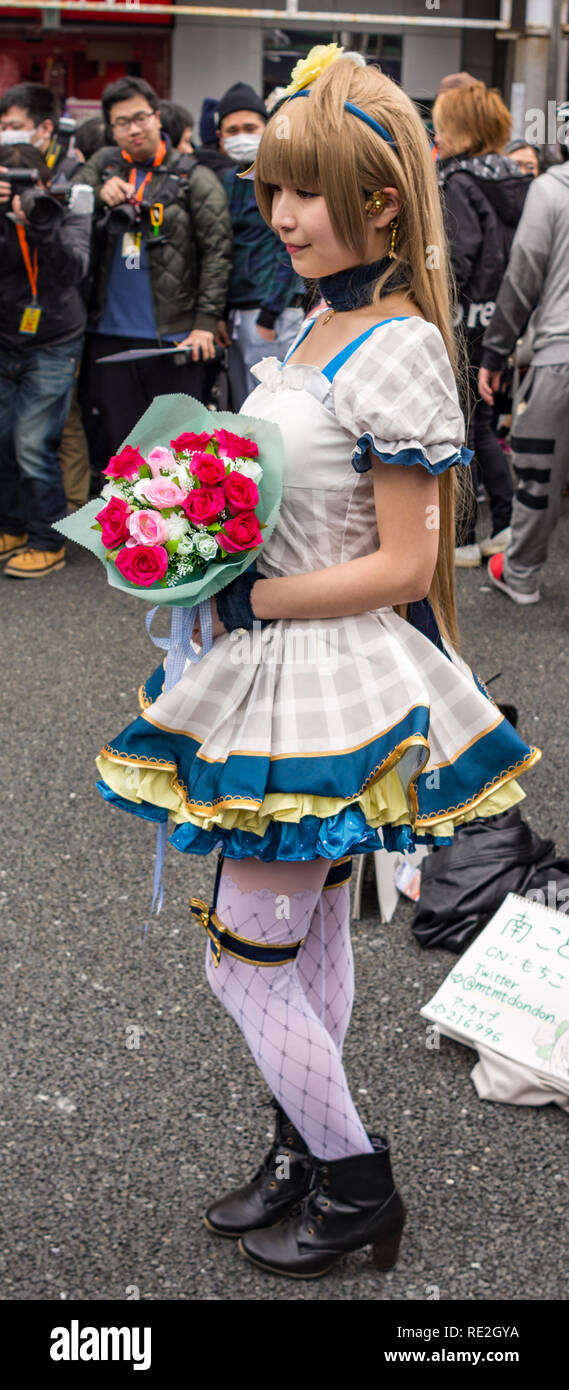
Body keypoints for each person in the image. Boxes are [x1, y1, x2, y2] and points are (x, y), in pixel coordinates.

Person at [95, 51, 540, 1279]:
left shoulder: (391, 343)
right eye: (271, 188)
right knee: (307, 941)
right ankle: (303, 1146)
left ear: (382, 202)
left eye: (304, 191)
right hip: (279, 668)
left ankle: (356, 1183)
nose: (278, 213)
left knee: (236, 960)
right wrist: (199, 537)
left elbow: (408, 561)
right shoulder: (319, 315)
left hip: (328, 675)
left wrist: (247, 588)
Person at [75, 76, 232, 470]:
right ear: (112, 129)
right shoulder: (103, 166)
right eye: (121, 122)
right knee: (120, 452)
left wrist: (205, 324)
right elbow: (66, 206)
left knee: (174, 455)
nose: (133, 129)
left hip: (175, 337)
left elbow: (218, 251)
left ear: (157, 117)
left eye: (140, 117)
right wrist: (96, 196)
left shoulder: (193, 177)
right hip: (108, 336)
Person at [433, 82, 532, 566]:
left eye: (442, 121)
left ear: (460, 128)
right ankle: (507, 523)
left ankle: (465, 537)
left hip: (462, 320)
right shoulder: (515, 179)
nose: (436, 130)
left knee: (461, 428)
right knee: (485, 422)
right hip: (502, 322)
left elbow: (457, 259)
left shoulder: (457, 182)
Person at [478, 124, 569, 603]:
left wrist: (496, 350)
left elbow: (524, 272)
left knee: (539, 475)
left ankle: (522, 575)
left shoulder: (551, 188)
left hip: (560, 355)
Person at [0, 142, 92, 576]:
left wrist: (38, 222)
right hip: (5, 339)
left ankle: (47, 540)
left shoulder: (64, 206)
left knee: (33, 443)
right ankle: (13, 527)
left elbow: (73, 269)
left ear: (43, 182)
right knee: (3, 440)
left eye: (26, 185)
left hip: (54, 339)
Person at [215, 82, 305, 407]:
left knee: (278, 408)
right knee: (247, 409)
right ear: (221, 136)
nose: (243, 135)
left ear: (267, 128)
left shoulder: (280, 177)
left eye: (251, 127)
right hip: (240, 311)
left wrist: (270, 313)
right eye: (233, 129)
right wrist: (222, 314)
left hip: (274, 314)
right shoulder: (227, 181)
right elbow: (224, 249)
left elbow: (289, 246)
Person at [0, 82, 77, 184]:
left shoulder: (69, 172)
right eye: (3, 127)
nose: (7, 134)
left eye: (16, 127)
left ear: (46, 128)